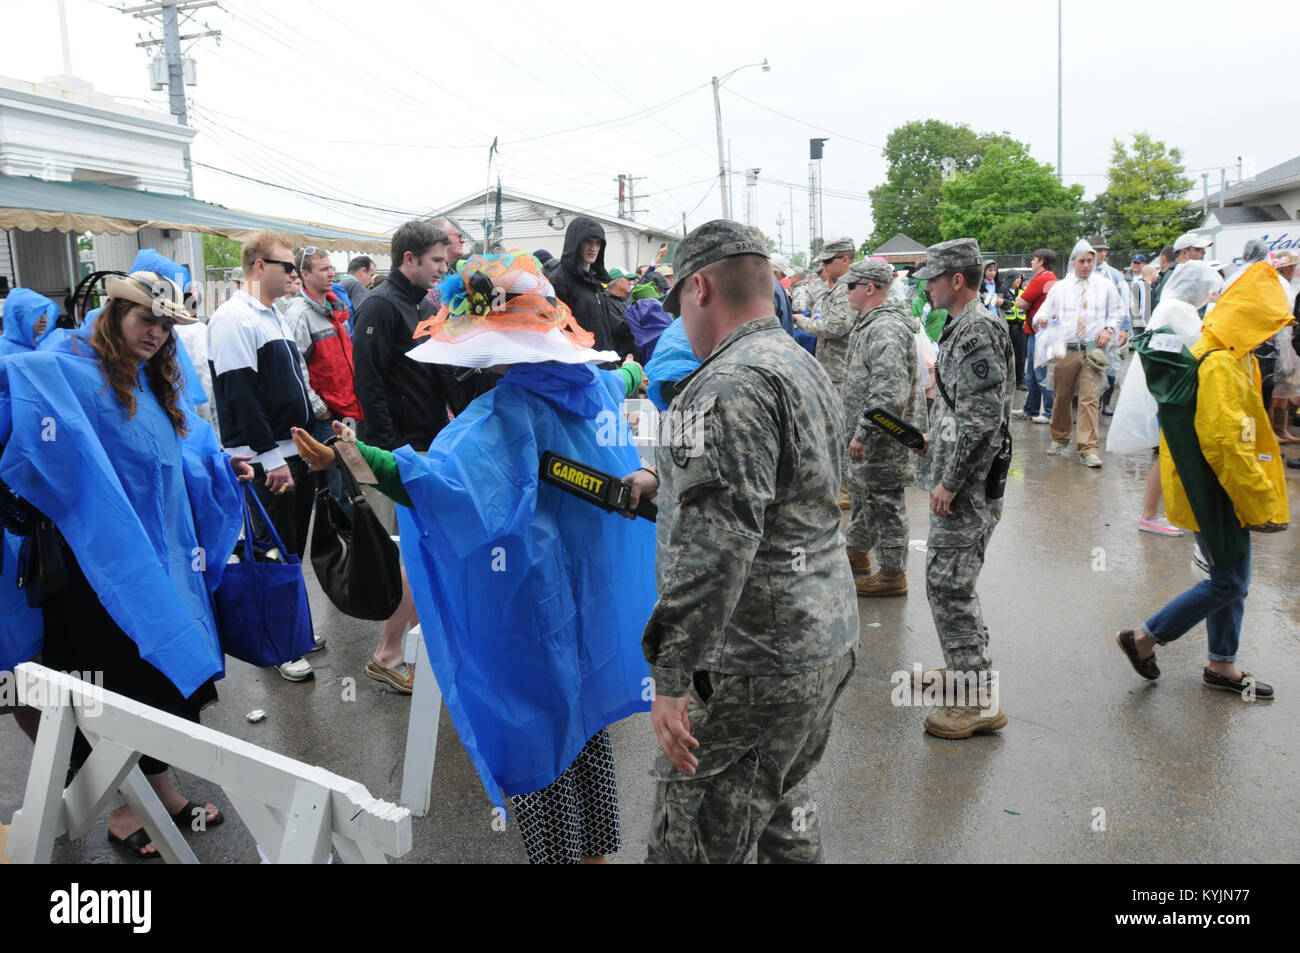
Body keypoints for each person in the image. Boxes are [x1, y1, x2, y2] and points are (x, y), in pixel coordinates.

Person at [294, 250, 655, 863]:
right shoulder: (589, 388)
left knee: (538, 733)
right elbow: (621, 379)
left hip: (531, 603)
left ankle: (560, 858)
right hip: (586, 591)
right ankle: (595, 856)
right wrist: (633, 377)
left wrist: (355, 460)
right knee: (588, 721)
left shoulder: (500, 415)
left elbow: (440, 487)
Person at [625, 221, 857, 864]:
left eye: (678, 304)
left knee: (688, 843)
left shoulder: (724, 384)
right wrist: (664, 481)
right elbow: (787, 492)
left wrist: (670, 673)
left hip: (752, 660)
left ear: (699, 287)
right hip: (822, 638)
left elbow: (715, 548)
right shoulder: (800, 363)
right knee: (783, 814)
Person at [0, 270, 252, 857]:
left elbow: (179, 455)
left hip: (159, 564)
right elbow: (29, 421)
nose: (159, 334)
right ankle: (118, 808)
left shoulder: (152, 381)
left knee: (155, 682)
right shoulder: (68, 371)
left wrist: (222, 467)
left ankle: (158, 793)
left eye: (166, 326)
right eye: (147, 320)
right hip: (95, 573)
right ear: (114, 314)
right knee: (109, 687)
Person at [1115, 260, 1290, 699]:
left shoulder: (1231, 353)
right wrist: (1258, 503)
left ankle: (1221, 663)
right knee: (1230, 580)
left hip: (1217, 489)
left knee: (1230, 574)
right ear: (1246, 321)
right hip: (1218, 492)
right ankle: (1145, 637)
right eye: (1266, 325)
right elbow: (1226, 446)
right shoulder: (1220, 364)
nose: (1270, 335)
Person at [911, 238, 1013, 739]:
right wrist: (935, 433)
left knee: (949, 585)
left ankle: (977, 700)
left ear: (957, 279)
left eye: (932, 277)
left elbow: (985, 420)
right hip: (960, 474)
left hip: (968, 487)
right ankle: (963, 671)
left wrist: (950, 482)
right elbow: (961, 407)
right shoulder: (962, 325)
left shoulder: (976, 331)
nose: (925, 286)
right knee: (949, 581)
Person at [207, 231, 320, 682]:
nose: (294, 274)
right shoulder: (235, 318)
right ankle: (278, 644)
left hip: (290, 449)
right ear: (259, 266)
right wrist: (271, 458)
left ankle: (290, 628)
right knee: (270, 548)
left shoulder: (269, 314)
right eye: (287, 266)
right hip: (263, 456)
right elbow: (240, 397)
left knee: (290, 546)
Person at [351, 220, 455, 692]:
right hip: (404, 448)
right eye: (436, 261)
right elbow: (368, 385)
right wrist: (391, 450)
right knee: (413, 552)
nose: (443, 268)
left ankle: (406, 646)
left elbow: (431, 373)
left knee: (424, 548)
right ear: (408, 259)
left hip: (429, 439)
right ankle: (388, 653)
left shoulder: (423, 303)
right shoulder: (379, 305)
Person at [842, 259, 928, 597]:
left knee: (886, 504)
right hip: (872, 434)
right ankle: (857, 552)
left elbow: (888, 393)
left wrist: (864, 433)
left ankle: (893, 574)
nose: (846, 292)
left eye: (851, 285)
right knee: (866, 498)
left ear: (869, 288)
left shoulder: (885, 328)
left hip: (884, 438)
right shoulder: (869, 323)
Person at [1034, 238, 1123, 467]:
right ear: (1073, 262)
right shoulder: (1060, 288)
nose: (1086, 265)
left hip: (1094, 349)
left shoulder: (1105, 286)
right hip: (1066, 349)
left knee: (1090, 399)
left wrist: (1109, 328)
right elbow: (1041, 313)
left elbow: (1116, 313)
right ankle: (1060, 437)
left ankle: (1088, 447)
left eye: (1090, 261)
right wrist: (1041, 320)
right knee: (1062, 396)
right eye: (1082, 261)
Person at [796, 237, 856, 390]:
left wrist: (803, 321)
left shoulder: (846, 288)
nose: (823, 265)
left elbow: (835, 327)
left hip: (841, 373)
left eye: (828, 260)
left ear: (845, 260)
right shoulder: (837, 286)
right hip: (833, 371)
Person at [1012, 248, 1057, 423]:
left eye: (1033, 259)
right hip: (1040, 332)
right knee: (1033, 372)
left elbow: (1021, 303)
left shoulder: (1041, 279)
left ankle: (1048, 412)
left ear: (1040, 261)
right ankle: (1031, 408)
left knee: (1040, 373)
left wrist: (1019, 300)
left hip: (1039, 333)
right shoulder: (1052, 278)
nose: (1031, 262)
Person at [0, 288, 58, 357]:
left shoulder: (45, 346)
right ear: (18, 318)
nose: (44, 320)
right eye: (36, 314)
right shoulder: (3, 349)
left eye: (45, 313)